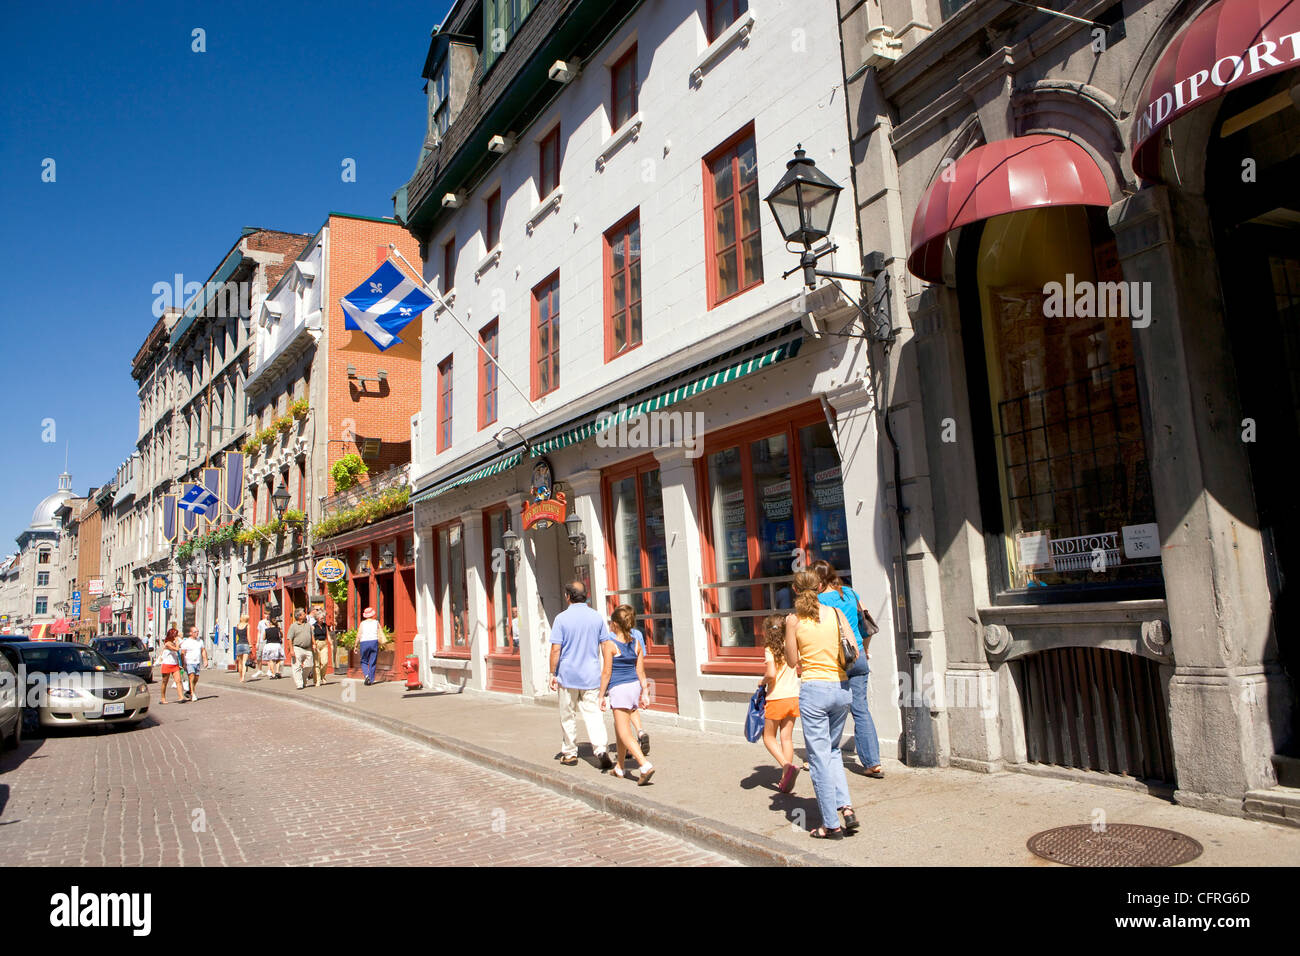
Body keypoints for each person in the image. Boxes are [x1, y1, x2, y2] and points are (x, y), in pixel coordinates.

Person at [785, 570, 857, 840]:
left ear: (795, 590)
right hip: (840, 688)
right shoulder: (836, 614)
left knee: (818, 758)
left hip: (814, 690)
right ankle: (846, 808)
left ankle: (831, 825)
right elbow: (855, 650)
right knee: (833, 750)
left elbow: (792, 662)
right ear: (819, 587)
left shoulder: (793, 620)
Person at [813, 559, 883, 778]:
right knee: (861, 710)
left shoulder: (820, 600)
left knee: (831, 711)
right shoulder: (852, 594)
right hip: (859, 656)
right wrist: (865, 651)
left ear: (818, 581)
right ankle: (873, 763)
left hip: (837, 661)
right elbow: (866, 625)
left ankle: (824, 757)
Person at [548, 581, 612, 769]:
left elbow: (555, 649)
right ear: (585, 596)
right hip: (591, 675)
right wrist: (606, 673)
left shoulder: (561, 619)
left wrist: (552, 673)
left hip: (567, 675)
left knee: (567, 714)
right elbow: (605, 646)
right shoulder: (596, 617)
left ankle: (569, 753)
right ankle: (600, 749)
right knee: (593, 714)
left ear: (568, 596)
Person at [598, 604, 654, 784]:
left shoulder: (610, 644)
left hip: (619, 688)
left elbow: (606, 672)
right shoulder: (636, 643)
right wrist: (645, 692)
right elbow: (641, 672)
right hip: (633, 687)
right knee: (619, 728)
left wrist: (601, 696)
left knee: (624, 732)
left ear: (615, 624)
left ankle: (644, 765)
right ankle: (620, 767)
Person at [762, 613, 802, 792]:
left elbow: (771, 673)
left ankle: (786, 766)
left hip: (776, 698)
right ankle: (786, 780)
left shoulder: (770, 648)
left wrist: (761, 682)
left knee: (768, 737)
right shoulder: (791, 645)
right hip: (793, 697)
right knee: (786, 738)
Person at [288, 608, 315, 689]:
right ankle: (299, 684)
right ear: (299, 616)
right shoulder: (293, 626)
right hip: (297, 648)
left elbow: (312, 635)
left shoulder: (308, 625)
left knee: (310, 665)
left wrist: (314, 644)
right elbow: (289, 638)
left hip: (308, 648)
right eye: (303, 614)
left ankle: (303, 679)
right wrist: (291, 650)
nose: (305, 615)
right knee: (297, 666)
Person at [180, 625, 208, 701]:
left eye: (197, 632)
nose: (197, 633)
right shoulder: (186, 642)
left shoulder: (200, 641)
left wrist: (205, 660)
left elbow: (203, 650)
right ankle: (193, 694)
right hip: (189, 662)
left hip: (197, 662)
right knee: (191, 677)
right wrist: (183, 664)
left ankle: (189, 691)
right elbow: (183, 653)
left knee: (196, 678)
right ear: (190, 633)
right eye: (195, 632)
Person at [159, 626, 185, 703]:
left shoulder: (174, 642)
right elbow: (176, 649)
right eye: (175, 635)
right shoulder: (167, 644)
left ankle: (181, 697)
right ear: (172, 635)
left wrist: (180, 639)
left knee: (178, 680)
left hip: (175, 664)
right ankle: (163, 698)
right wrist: (177, 641)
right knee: (165, 682)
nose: (176, 637)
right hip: (167, 664)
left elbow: (182, 645)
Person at [358, 607, 381, 684]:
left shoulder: (362, 623)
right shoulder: (376, 622)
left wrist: (355, 645)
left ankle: (367, 675)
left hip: (364, 642)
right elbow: (379, 633)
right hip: (374, 641)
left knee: (364, 661)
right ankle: (371, 679)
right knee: (373, 661)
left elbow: (359, 634)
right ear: (372, 615)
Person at [311, 608, 330, 687]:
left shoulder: (325, 625)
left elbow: (328, 634)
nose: (323, 619)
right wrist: (314, 644)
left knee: (325, 662)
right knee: (317, 663)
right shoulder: (313, 626)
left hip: (324, 643)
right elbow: (312, 636)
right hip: (317, 643)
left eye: (323, 618)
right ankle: (317, 680)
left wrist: (330, 642)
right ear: (317, 618)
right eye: (321, 618)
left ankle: (322, 675)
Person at [233, 615, 251, 682]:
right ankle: (243, 677)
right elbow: (248, 636)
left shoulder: (237, 626)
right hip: (245, 644)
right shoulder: (247, 626)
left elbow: (236, 636)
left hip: (239, 644)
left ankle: (240, 677)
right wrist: (250, 644)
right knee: (244, 662)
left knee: (240, 663)